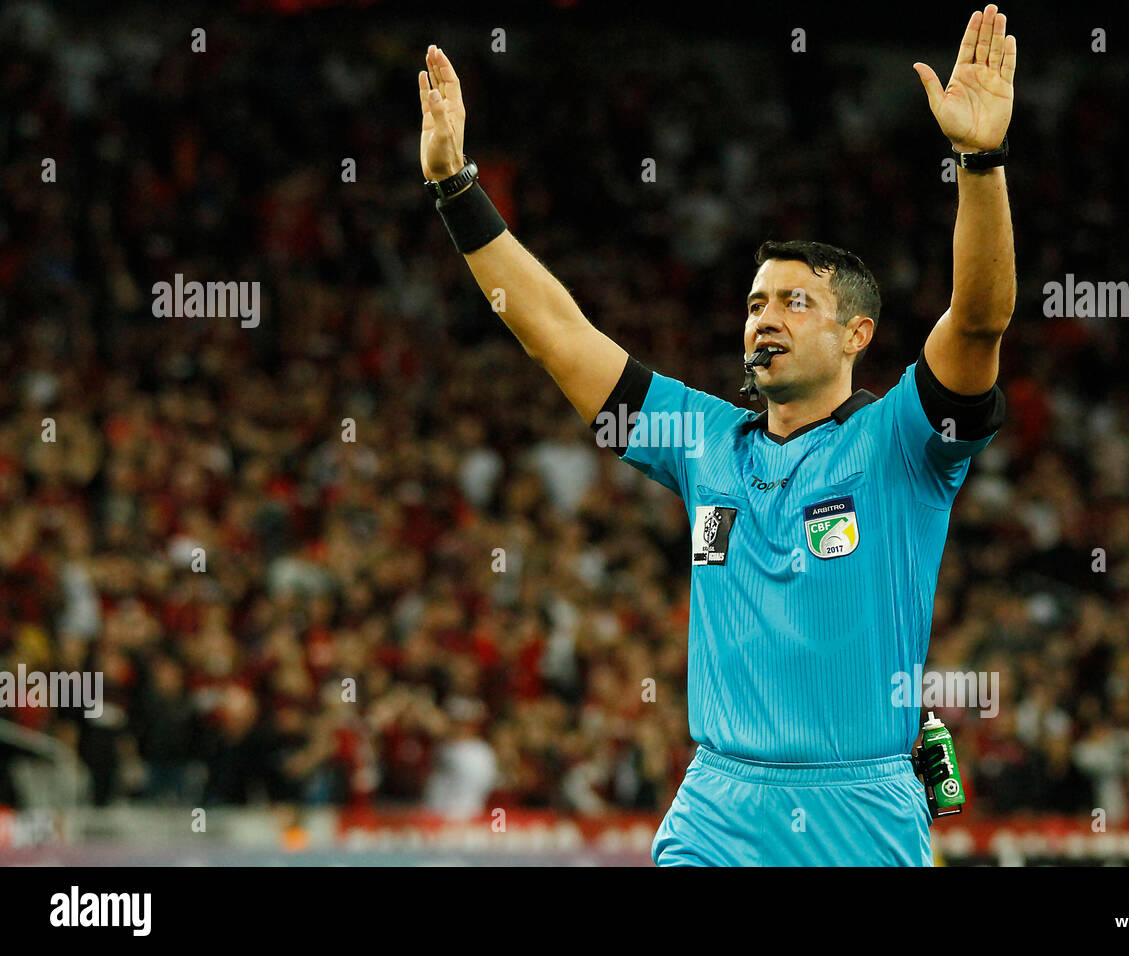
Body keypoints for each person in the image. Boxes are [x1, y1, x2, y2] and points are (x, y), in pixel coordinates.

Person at [417, 4, 1017, 865]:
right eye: (754, 303)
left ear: (857, 335)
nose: (763, 320)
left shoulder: (904, 443)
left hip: (861, 805)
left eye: (793, 302)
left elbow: (982, 318)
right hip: (720, 806)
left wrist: (981, 161)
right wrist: (455, 190)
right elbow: (555, 330)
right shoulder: (700, 439)